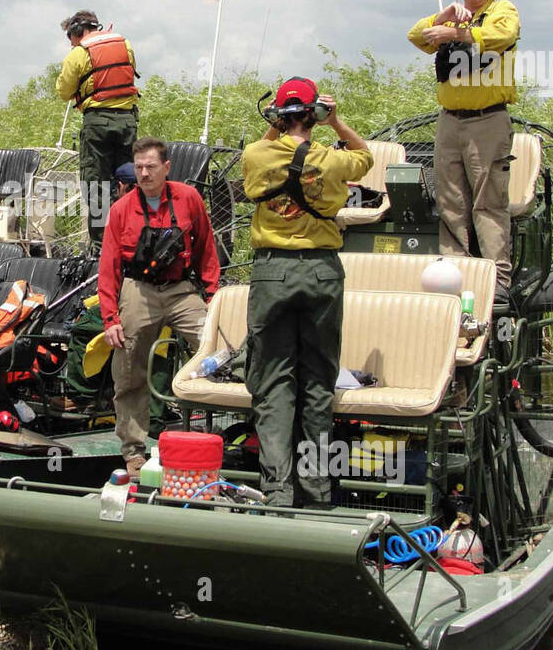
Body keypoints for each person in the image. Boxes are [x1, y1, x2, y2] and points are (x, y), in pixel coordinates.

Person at [241, 78, 373, 507]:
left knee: (272, 382)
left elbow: (262, 150)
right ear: (314, 115)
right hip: (321, 272)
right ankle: (317, 490)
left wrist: (277, 123)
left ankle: (277, 491)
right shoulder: (332, 161)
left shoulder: (257, 154)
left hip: (272, 273)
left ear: (278, 117)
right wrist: (335, 122)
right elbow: (365, 157)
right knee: (318, 382)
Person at [99, 137, 221, 475]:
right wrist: (110, 318)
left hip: (180, 289)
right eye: (139, 167)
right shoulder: (121, 209)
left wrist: (212, 296)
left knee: (216, 343)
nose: (144, 173)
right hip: (139, 290)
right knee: (129, 362)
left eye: (151, 166)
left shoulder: (189, 198)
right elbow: (109, 267)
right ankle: (133, 450)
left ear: (166, 167)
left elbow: (207, 248)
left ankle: (222, 425)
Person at [407, 0, 520, 295]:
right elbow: (416, 35)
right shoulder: (452, 16)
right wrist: (444, 17)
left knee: (488, 202)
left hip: (488, 120)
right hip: (450, 121)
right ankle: (453, 277)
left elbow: (503, 35)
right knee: (451, 203)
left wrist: (457, 33)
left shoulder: (502, 10)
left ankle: (497, 282)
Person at [56, 10, 139, 245]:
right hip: (127, 122)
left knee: (96, 185)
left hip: (97, 124)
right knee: (128, 180)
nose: (71, 43)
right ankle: (132, 236)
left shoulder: (79, 54)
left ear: (77, 31)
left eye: (70, 37)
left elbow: (63, 91)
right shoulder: (125, 45)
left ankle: (103, 245)